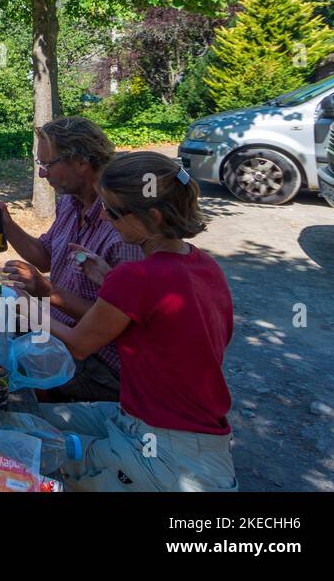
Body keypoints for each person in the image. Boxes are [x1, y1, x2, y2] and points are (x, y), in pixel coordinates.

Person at [34, 152, 236, 491]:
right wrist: (110, 280)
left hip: (171, 454)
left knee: (30, 453)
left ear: (151, 217)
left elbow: (80, 345)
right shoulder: (203, 266)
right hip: (161, 426)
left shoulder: (136, 278)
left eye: (112, 210)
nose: (102, 215)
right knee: (26, 423)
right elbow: (162, 319)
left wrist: (26, 308)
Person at [0, 116, 141, 402]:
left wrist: (46, 293)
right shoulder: (70, 201)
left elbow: (112, 326)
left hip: (96, 364)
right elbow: (46, 258)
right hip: (56, 333)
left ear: (81, 161)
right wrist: (6, 223)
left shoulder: (122, 227)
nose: (42, 174)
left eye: (47, 164)